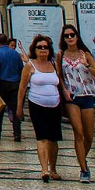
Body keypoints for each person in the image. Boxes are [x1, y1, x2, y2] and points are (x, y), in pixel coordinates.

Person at [57, 22, 95, 182]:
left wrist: (87, 65)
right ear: (63, 39)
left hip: (87, 95)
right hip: (72, 98)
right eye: (66, 36)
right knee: (78, 132)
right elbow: (59, 76)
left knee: (89, 135)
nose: (70, 38)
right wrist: (64, 90)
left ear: (77, 37)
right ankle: (84, 169)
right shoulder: (60, 55)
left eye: (72, 35)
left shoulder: (86, 54)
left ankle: (82, 158)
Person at [18, 35, 69, 181]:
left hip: (54, 106)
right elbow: (22, 88)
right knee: (42, 138)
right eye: (39, 47)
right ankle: (44, 170)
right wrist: (19, 107)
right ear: (34, 49)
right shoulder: (30, 66)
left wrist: (66, 95)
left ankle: (53, 169)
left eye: (45, 47)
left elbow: (59, 83)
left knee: (53, 139)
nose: (42, 50)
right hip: (36, 105)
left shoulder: (53, 64)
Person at [0, 30, 23, 141]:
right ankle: (17, 133)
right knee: (15, 109)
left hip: (2, 84)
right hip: (15, 84)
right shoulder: (15, 54)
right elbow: (21, 68)